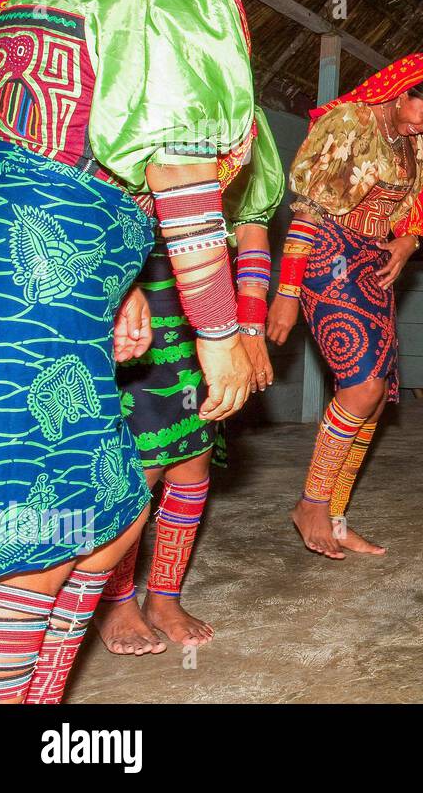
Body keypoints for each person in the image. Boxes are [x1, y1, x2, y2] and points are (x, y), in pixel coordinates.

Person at [0, 0, 255, 703]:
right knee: (39, 537)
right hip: (32, 312)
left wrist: (129, 281)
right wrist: (220, 333)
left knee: (110, 511)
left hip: (49, 285)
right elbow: (177, 168)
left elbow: (70, 156)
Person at [268, 55, 423, 560]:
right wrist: (287, 293)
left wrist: (407, 244)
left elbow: (414, 214)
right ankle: (310, 504)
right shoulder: (352, 122)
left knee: (375, 397)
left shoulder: (416, 140)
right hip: (327, 254)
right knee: (362, 387)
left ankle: (336, 520)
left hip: (372, 265)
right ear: (403, 91)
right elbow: (309, 209)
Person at [97, 106, 284, 655]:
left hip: (205, 296)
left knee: (194, 452)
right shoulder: (133, 99)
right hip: (133, 280)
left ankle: (165, 595)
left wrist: (246, 331)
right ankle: (117, 601)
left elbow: (250, 230)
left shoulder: (247, 120)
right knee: (141, 459)